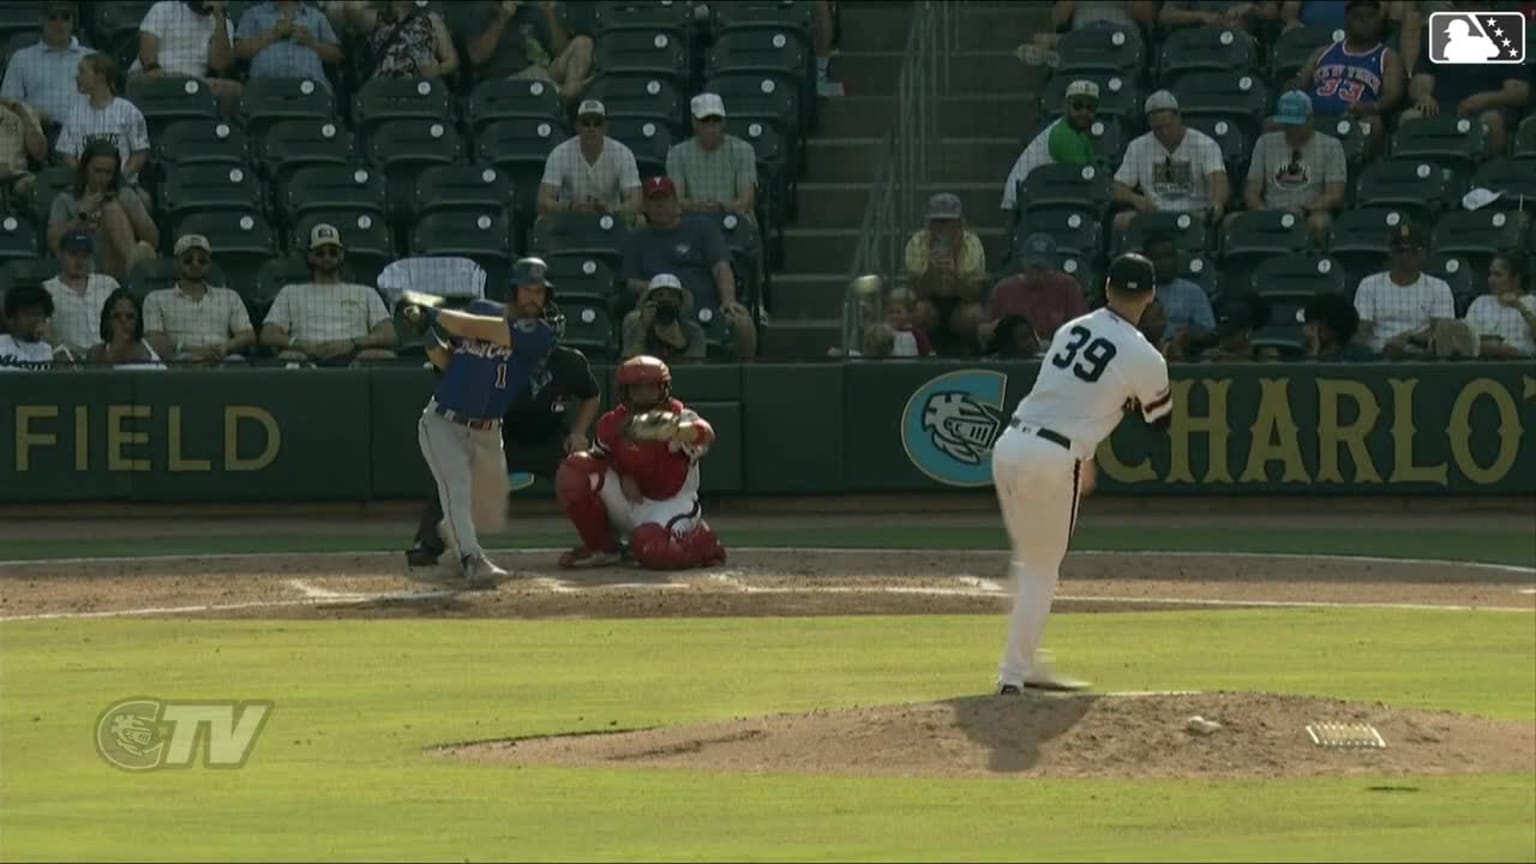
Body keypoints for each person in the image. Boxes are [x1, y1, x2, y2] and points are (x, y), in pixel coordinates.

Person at [992, 253, 1171, 695]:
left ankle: (1028, 660)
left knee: (1030, 561)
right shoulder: (1145, 356)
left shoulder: (1072, 329)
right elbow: (1160, 420)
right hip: (1054, 458)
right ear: (1150, 296)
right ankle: (1015, 674)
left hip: (1011, 444)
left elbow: (1064, 394)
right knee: (1041, 569)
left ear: (1107, 287)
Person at [405, 259, 601, 569]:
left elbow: (470, 327)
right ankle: (456, 552)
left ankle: (604, 541)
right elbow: (450, 361)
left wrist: (429, 312)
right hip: (482, 426)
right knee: (454, 483)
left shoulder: (538, 334)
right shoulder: (484, 313)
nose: (533, 298)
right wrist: (427, 331)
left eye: (539, 291)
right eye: (527, 290)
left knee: (485, 511)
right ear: (512, 291)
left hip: (522, 433)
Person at [554, 354, 727, 570]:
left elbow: (705, 435)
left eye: (650, 388)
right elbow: (600, 460)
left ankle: (703, 543)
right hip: (629, 500)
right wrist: (624, 475)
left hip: (670, 504)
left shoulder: (681, 417)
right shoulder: (612, 423)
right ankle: (603, 549)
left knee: (652, 550)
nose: (644, 395)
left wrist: (674, 430)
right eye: (637, 389)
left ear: (663, 388)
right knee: (574, 470)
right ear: (625, 392)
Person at [622, 176, 757, 360]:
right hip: (655, 311)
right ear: (645, 206)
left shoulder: (702, 228)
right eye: (654, 201)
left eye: (665, 199)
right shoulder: (636, 239)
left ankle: (745, 378)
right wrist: (665, 290)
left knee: (742, 323)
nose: (660, 205)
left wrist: (728, 301)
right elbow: (630, 282)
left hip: (704, 306)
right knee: (631, 321)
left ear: (676, 202)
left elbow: (721, 267)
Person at [259, 224, 398, 366]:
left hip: (354, 356)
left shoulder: (366, 292)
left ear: (342, 255)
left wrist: (353, 343)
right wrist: (300, 344)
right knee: (288, 356)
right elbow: (268, 334)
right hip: (305, 357)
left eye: (333, 252)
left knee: (383, 356)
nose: (327, 257)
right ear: (310, 256)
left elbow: (388, 334)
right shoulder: (290, 292)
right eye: (320, 253)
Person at [1111, 91, 1228, 232]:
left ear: (1178, 117)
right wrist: (1135, 199)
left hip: (1194, 213)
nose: (1165, 132)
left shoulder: (1205, 144)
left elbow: (1218, 180)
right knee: (1121, 220)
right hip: (1155, 214)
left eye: (1169, 125)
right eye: (1158, 129)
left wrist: (1216, 202)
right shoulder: (1138, 147)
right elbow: (1118, 187)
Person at [1296, 0, 1404, 150]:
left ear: (1379, 20)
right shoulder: (1322, 52)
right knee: (1272, 124)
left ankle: (1365, 171)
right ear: (1346, 20)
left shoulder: (1387, 56)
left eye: (1370, 16)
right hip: (1313, 116)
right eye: (1358, 16)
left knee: (1374, 124)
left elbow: (1393, 94)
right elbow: (1299, 85)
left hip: (1355, 119)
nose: (1364, 21)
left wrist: (1370, 107)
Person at [46, 139, 159, 282]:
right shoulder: (66, 199)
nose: (102, 178)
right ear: (85, 168)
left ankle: (134, 269)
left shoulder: (124, 194)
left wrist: (130, 209)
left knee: (111, 209)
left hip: (117, 265)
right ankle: (136, 272)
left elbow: (153, 240)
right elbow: (52, 242)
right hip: (81, 261)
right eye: (97, 171)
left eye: (108, 173)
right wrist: (81, 216)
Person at [1243, 90, 1347, 245]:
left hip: (1309, 212)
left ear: (1310, 120)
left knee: (1319, 223)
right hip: (1270, 210)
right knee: (1232, 222)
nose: (1292, 129)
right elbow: (1252, 191)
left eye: (1297, 125)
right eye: (1288, 124)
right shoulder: (1264, 143)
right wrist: (1263, 213)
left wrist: (1305, 209)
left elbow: (1334, 194)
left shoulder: (1331, 146)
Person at [1000, 80, 1099, 232]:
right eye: (1078, 106)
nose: (1084, 113)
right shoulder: (1064, 135)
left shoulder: (1079, 135)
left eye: (1090, 107)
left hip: (1041, 197)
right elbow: (1087, 183)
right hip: (1021, 207)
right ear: (1066, 106)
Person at [142, 233, 257, 364]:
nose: (195, 264)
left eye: (202, 260)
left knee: (237, 362)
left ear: (209, 264)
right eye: (188, 260)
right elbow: (154, 339)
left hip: (221, 359)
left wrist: (225, 347)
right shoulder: (155, 298)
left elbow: (248, 335)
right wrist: (195, 351)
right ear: (176, 263)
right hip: (180, 361)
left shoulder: (229, 296)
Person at [457, 0, 594, 102]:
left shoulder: (533, 12)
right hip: (504, 81)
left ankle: (569, 89)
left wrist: (549, 12)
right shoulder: (484, 10)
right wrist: (502, 19)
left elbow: (559, 50)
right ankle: (568, 93)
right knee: (535, 72)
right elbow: (477, 56)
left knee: (583, 42)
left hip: (545, 73)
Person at [1352, 222, 1454, 357]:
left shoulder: (1439, 287)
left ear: (1423, 253)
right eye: (1399, 251)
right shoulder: (1369, 284)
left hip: (1421, 357)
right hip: (1377, 356)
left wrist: (1408, 340)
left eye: (1412, 251)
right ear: (1390, 253)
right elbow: (1362, 328)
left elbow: (1442, 332)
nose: (1405, 256)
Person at [56, 53, 152, 194]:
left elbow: (140, 153)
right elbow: (67, 154)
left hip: (124, 187)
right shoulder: (74, 113)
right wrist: (85, 179)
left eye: (82, 72)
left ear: (99, 76)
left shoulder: (129, 111)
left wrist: (119, 179)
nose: (77, 77)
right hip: (85, 190)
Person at [904, 192, 987, 354]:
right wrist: (931, 270)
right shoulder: (917, 242)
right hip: (929, 299)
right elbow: (916, 291)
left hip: (961, 300)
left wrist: (954, 272)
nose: (942, 228)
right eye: (937, 222)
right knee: (918, 311)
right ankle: (921, 350)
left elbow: (974, 293)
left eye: (948, 222)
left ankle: (971, 352)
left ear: (960, 223)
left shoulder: (972, 244)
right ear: (929, 224)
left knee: (974, 315)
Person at [537, 99, 642, 218]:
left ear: (605, 127)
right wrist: (571, 207)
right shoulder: (560, 153)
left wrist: (610, 209)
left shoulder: (622, 153)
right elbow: (543, 201)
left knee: (639, 220)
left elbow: (636, 201)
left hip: (611, 219)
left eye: (597, 123)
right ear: (577, 126)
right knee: (542, 220)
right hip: (569, 218)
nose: (591, 128)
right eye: (586, 123)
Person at [980, 233, 1088, 347]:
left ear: (1052, 265)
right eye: (1033, 267)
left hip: (1056, 351)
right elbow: (984, 329)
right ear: (1023, 262)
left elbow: (1081, 328)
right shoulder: (1003, 289)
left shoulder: (1068, 286)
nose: (1036, 274)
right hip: (1014, 353)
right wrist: (994, 329)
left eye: (1041, 268)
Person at [0, 1, 92, 132]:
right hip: (40, 133)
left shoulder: (91, 57)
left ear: (72, 21)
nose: (60, 24)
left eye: (65, 17)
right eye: (53, 18)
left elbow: (105, 101)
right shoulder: (22, 59)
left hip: (86, 130)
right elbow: (8, 104)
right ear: (41, 20)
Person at [132, 0, 239, 113]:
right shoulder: (163, 9)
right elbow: (147, 41)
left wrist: (219, 19)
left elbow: (219, 65)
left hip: (194, 83)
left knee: (234, 89)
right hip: (158, 75)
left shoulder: (224, 25)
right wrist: (152, 67)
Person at [666, 93, 758, 220]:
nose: (711, 127)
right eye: (705, 121)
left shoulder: (743, 150)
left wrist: (721, 208)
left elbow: (747, 200)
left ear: (723, 122)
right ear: (694, 123)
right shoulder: (677, 153)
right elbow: (677, 199)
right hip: (692, 220)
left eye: (716, 120)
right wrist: (700, 208)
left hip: (733, 218)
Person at [43, 230, 120, 357]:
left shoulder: (108, 284)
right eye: (73, 255)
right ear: (60, 254)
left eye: (85, 256)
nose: (79, 261)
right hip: (70, 360)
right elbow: (45, 332)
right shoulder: (47, 290)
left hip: (110, 356)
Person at [234, 0, 345, 87]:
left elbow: (336, 57)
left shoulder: (317, 17)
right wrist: (272, 35)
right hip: (264, 86)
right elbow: (239, 52)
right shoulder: (252, 14)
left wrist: (312, 43)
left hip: (311, 86)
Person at [1140, 232, 1215, 359]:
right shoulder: (1137, 291)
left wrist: (1187, 336)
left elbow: (1209, 331)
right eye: (1157, 258)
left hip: (1184, 353)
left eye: (1169, 256)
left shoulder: (1193, 291)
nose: (1164, 262)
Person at [1464, 251, 1536, 359]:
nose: (1491, 280)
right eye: (1490, 274)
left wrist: (1519, 306)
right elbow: (1467, 340)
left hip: (1521, 364)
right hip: (1482, 363)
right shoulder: (1480, 303)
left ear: (1516, 278)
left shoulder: (1531, 302)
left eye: (1498, 275)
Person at [360, 0, 457, 80]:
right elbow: (352, 8)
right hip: (381, 89)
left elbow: (452, 61)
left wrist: (437, 70)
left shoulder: (431, 19)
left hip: (418, 87)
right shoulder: (375, 18)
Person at [621, 273, 707, 361]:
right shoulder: (634, 324)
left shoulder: (693, 331)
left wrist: (680, 347)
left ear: (680, 302)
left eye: (672, 296)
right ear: (649, 301)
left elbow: (696, 368)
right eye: (659, 295)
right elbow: (630, 363)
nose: (666, 299)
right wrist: (643, 328)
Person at [85, 288, 166, 369]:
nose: (123, 321)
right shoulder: (95, 353)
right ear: (107, 320)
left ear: (138, 320)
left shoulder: (154, 347)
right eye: (116, 316)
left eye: (130, 316)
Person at [1302, 291, 1376, 361]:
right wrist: (1312, 351)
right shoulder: (1298, 354)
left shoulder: (1358, 356)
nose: (1308, 329)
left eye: (1315, 324)